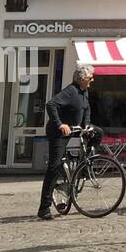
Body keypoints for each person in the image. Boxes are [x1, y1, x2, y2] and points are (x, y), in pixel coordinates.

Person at [38, 66, 101, 221]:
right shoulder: (71, 90)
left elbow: (87, 109)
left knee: (98, 132)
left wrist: (86, 125)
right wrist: (60, 124)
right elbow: (51, 104)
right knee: (54, 166)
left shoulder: (84, 91)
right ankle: (44, 208)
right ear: (81, 79)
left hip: (75, 128)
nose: (92, 80)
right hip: (59, 132)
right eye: (90, 77)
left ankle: (85, 164)